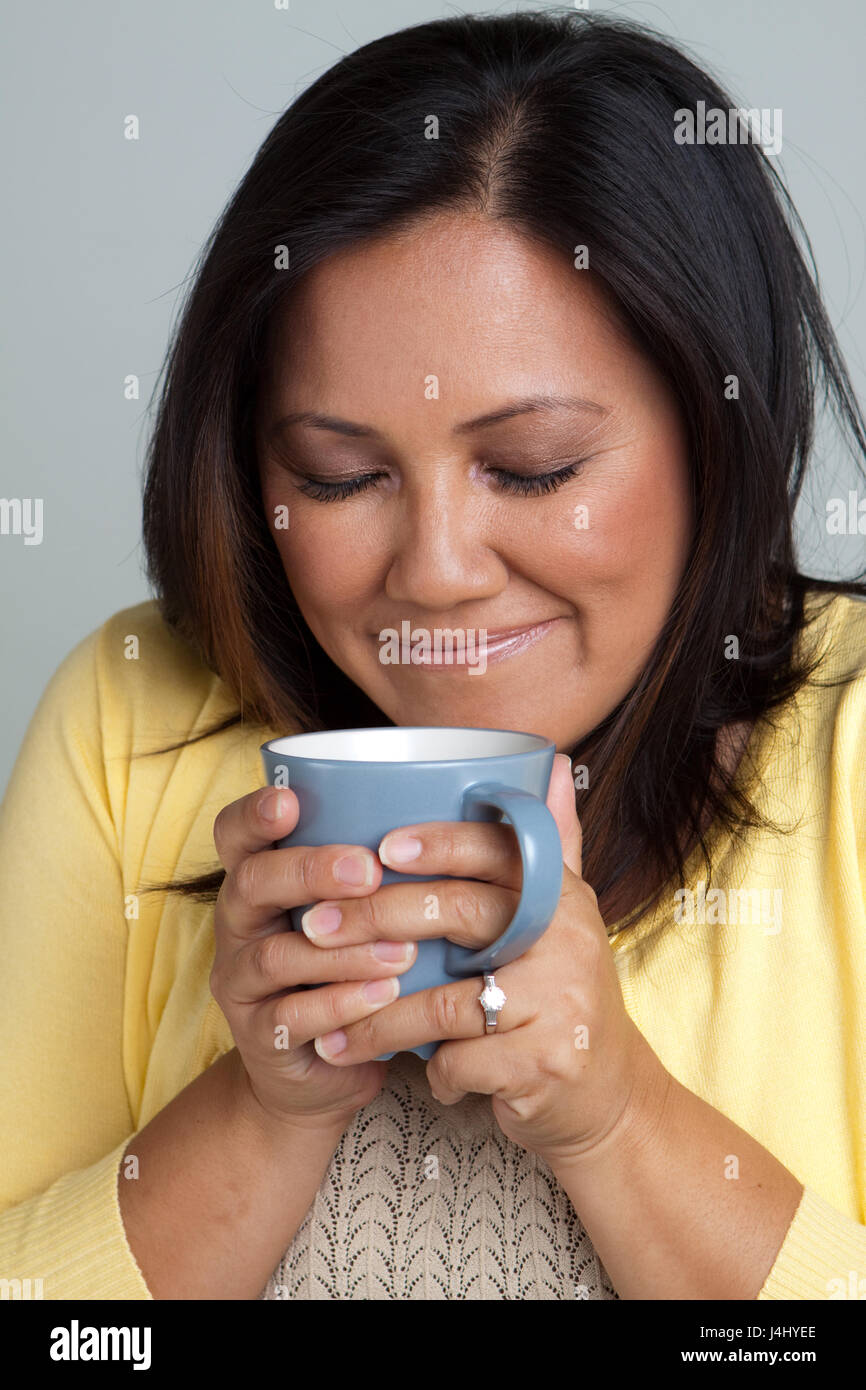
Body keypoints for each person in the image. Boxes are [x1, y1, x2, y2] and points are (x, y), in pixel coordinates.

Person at [1, 10, 865, 1301]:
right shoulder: (133, 714)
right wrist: (262, 1109)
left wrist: (619, 1119)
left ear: (713, 431)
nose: (437, 568)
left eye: (532, 468)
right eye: (340, 476)